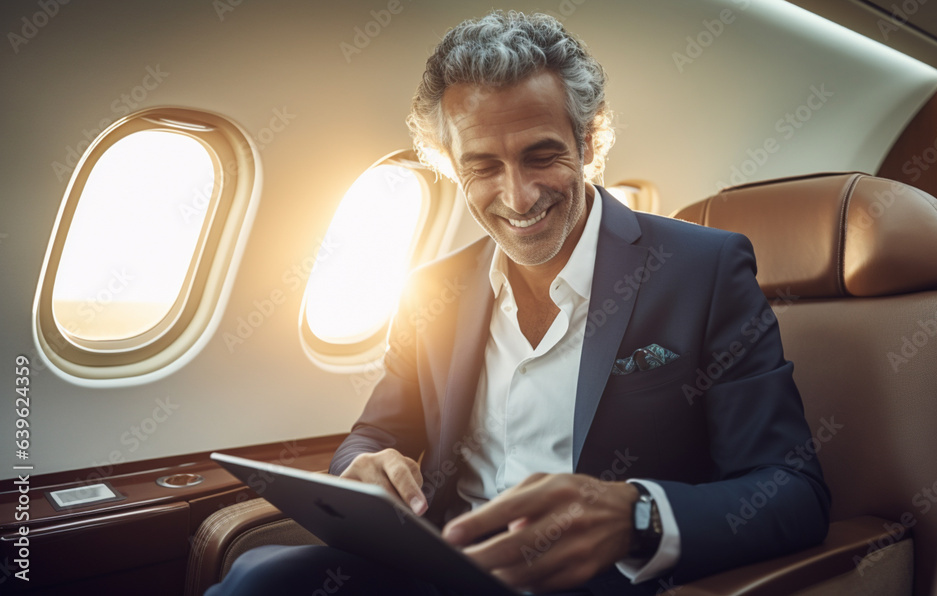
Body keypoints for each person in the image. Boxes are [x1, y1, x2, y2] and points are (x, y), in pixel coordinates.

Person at [208, 10, 829, 596]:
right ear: (451, 167)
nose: (518, 195)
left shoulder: (704, 269)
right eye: (483, 165)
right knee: (254, 581)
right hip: (440, 566)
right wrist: (367, 465)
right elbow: (374, 433)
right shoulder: (430, 288)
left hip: (597, 581)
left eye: (542, 155)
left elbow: (793, 491)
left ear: (588, 141)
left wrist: (638, 515)